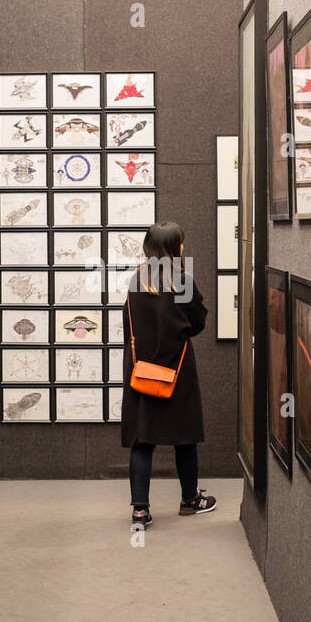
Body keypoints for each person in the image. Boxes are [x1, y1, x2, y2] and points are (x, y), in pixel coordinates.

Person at [121, 221, 216, 527]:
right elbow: (198, 323)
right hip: (177, 370)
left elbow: (129, 326)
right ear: (175, 248)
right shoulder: (182, 282)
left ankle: (140, 511)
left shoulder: (136, 282)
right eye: (181, 242)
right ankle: (190, 499)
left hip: (142, 372)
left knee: (142, 440)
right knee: (184, 437)